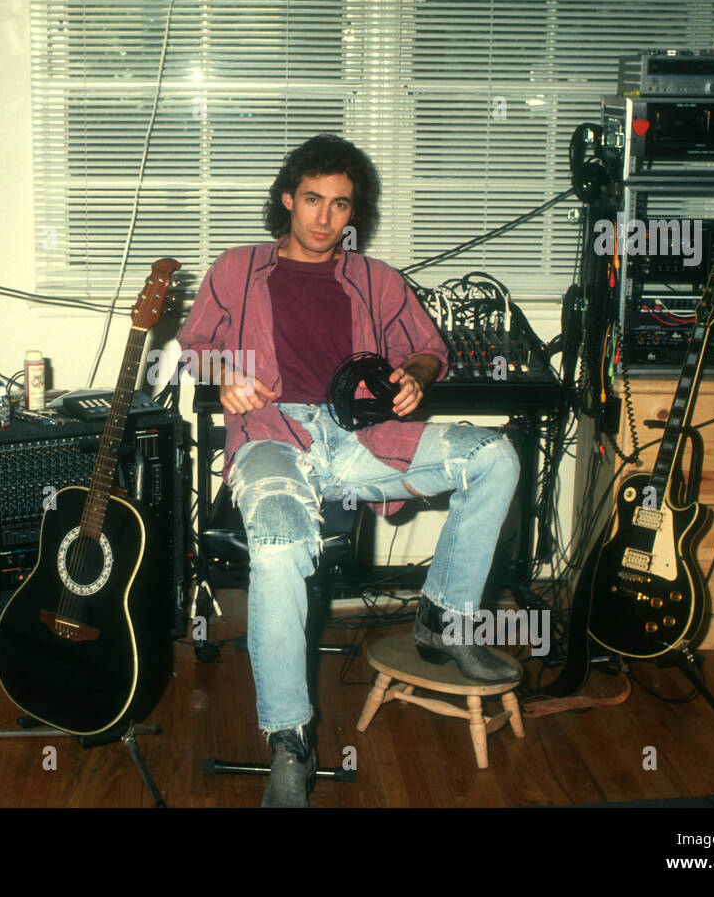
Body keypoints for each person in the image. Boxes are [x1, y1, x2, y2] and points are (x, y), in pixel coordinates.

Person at [177, 134, 521, 807]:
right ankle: (290, 742)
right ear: (287, 199)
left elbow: (428, 349)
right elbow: (196, 348)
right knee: (276, 548)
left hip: (365, 440)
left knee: (496, 456)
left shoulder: (377, 280)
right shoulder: (235, 270)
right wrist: (223, 376)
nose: (324, 219)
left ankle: (445, 621)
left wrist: (416, 378)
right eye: (312, 200)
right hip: (274, 437)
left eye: (339, 205)